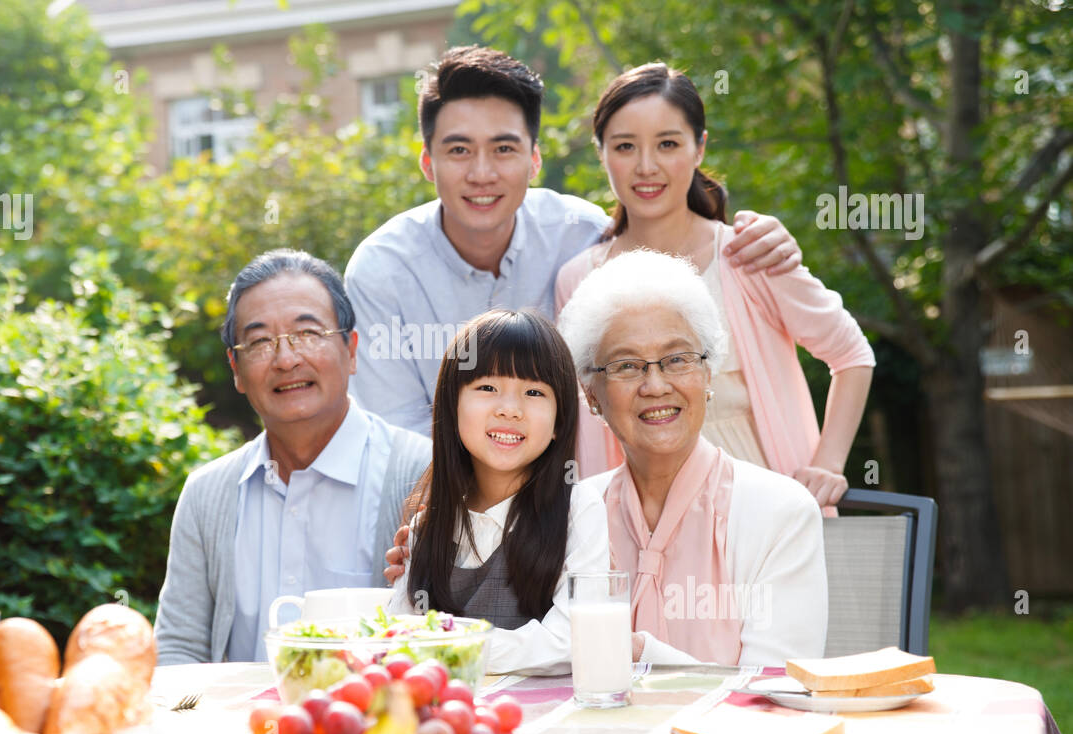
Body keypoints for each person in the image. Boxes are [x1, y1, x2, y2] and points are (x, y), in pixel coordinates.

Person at [346, 45, 805, 437]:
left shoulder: (582, 236)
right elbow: (399, 433)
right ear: (428, 163)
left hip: (573, 502)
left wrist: (757, 235)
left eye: (504, 149)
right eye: (459, 150)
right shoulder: (382, 270)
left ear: (534, 160)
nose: (481, 173)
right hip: (436, 506)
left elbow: (675, 245)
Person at [555, 62, 875, 507]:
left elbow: (852, 353)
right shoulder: (579, 279)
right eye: (625, 146)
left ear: (699, 148)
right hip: (641, 520)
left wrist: (828, 464)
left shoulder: (751, 255)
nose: (646, 167)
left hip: (765, 507)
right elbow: (587, 419)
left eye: (668, 144)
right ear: (601, 153)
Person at [153, 250, 430, 665]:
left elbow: (447, 636)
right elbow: (179, 649)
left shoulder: (422, 472)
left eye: (307, 334)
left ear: (351, 350)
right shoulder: (207, 493)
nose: (286, 360)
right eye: (261, 341)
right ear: (236, 368)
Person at [558, 248, 828, 665]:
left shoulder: (781, 512)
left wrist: (643, 654)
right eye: (627, 366)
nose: (655, 385)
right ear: (592, 395)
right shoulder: (571, 513)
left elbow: (773, 688)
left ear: (707, 374)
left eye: (677, 359)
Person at [387, 310, 609, 675]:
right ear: (452, 404)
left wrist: (444, 646)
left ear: (559, 422)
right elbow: (397, 641)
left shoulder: (578, 510)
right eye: (487, 388)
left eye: (534, 392)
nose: (510, 409)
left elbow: (574, 641)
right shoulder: (426, 526)